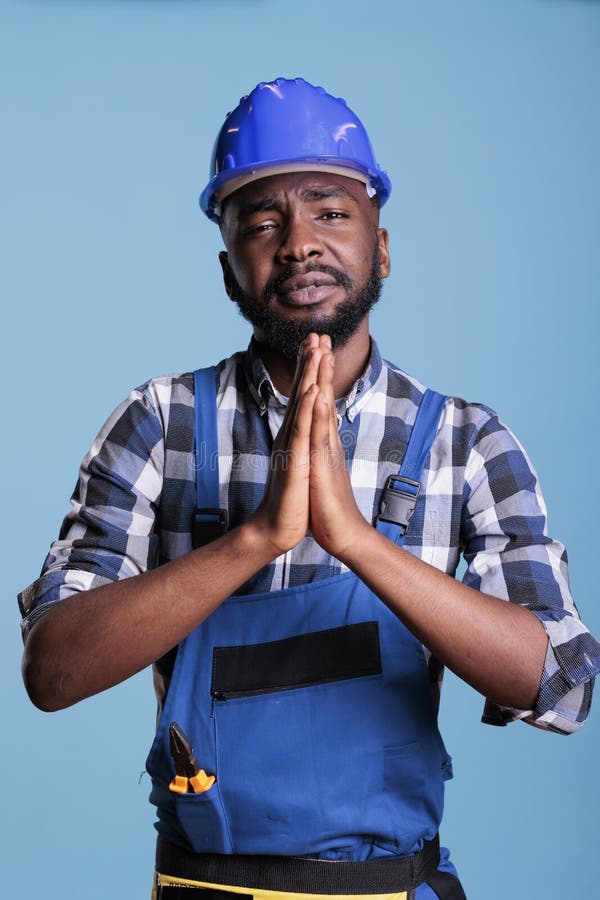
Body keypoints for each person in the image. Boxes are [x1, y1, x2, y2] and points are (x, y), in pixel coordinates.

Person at [19, 77, 600, 900]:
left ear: (383, 247)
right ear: (230, 271)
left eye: (330, 212)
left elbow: (560, 685)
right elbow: (53, 672)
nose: (297, 244)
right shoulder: (158, 423)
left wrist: (357, 542)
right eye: (262, 223)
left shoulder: (468, 443)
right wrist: (255, 537)